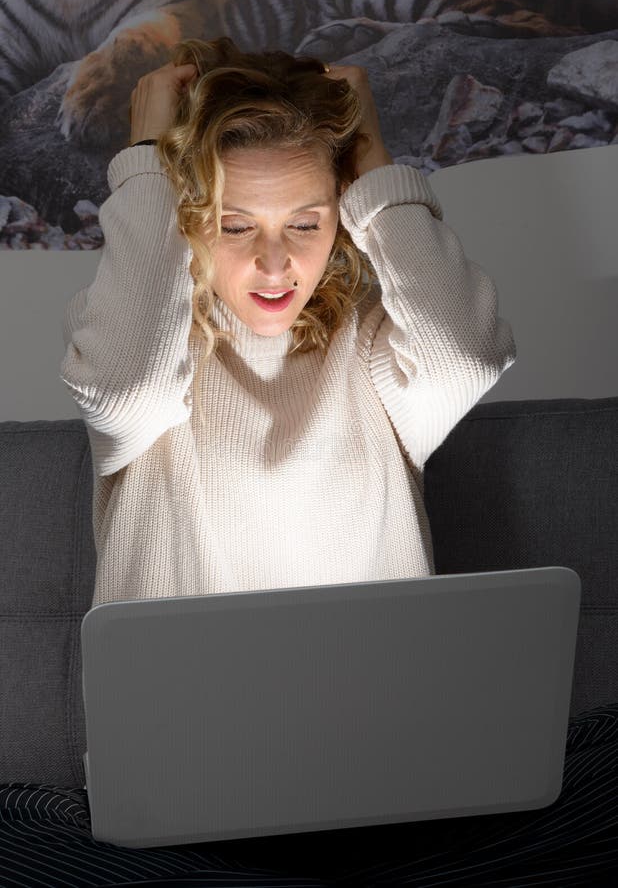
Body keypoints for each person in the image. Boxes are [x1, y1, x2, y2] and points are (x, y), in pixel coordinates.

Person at [60, 36, 516, 609]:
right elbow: (127, 388)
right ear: (183, 217)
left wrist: (371, 158)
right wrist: (148, 164)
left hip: (371, 691)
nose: (274, 265)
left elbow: (466, 356)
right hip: (184, 697)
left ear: (344, 210)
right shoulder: (122, 333)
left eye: (303, 225)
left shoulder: (379, 345)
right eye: (234, 226)